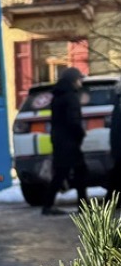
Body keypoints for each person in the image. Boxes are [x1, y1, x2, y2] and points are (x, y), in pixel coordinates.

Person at [43, 66, 88, 214]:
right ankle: (82, 206)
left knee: (63, 172)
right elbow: (73, 120)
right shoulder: (71, 97)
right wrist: (80, 134)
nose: (81, 82)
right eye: (79, 79)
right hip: (70, 141)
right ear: (74, 80)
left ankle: (50, 205)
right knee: (77, 173)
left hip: (60, 140)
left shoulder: (58, 96)